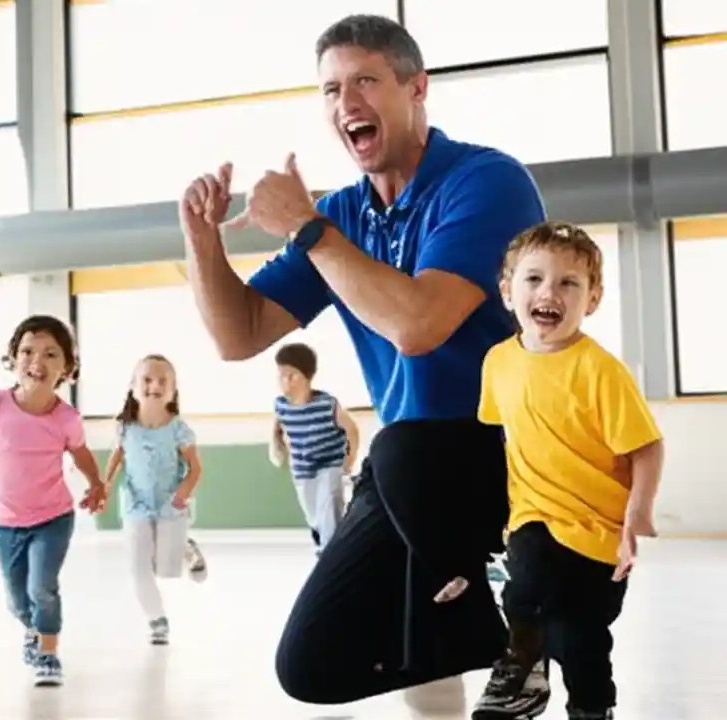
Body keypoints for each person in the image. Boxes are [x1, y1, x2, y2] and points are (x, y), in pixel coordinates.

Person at [180, 13, 546, 705]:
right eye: (329, 89)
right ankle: (493, 641)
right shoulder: (344, 217)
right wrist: (202, 242)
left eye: (366, 81)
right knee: (312, 668)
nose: (346, 103)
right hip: (408, 474)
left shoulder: (485, 181)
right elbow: (242, 334)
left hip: (502, 452)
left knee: (404, 443)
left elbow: (419, 326)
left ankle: (516, 616)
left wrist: (308, 228)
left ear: (416, 89)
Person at [470, 222, 663, 720]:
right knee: (526, 580)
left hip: (598, 534)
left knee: (578, 638)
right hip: (535, 516)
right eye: (534, 279)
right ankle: (523, 667)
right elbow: (501, 439)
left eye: (568, 283)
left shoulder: (599, 370)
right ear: (508, 291)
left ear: (592, 299)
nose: (548, 293)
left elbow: (647, 447)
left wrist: (636, 515)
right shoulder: (497, 363)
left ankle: (591, 707)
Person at [0, 314, 108, 687]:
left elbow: (81, 453)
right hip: (6, 521)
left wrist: (96, 483)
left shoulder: (66, 418)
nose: (36, 362)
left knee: (42, 587)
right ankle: (31, 628)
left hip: (53, 517)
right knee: (17, 599)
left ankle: (49, 653)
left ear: (67, 368)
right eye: (27, 351)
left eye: (50, 354)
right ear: (13, 358)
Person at [102, 354, 207, 645]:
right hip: (136, 504)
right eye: (147, 379)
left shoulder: (178, 428)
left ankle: (187, 549)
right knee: (138, 566)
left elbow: (195, 467)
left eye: (163, 381)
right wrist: (105, 486)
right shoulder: (125, 427)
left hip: (170, 504)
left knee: (166, 569)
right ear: (133, 387)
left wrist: (184, 492)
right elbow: (117, 456)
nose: (155, 385)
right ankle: (157, 620)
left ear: (173, 390)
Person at [268, 343, 359, 554]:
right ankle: (322, 538)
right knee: (314, 514)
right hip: (302, 469)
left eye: (292, 375)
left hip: (330, 463)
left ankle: (331, 550)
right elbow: (277, 429)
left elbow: (351, 430)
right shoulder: (281, 406)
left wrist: (349, 459)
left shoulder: (327, 404)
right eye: (281, 375)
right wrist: (277, 447)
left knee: (329, 502)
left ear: (307, 377)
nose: (285, 381)